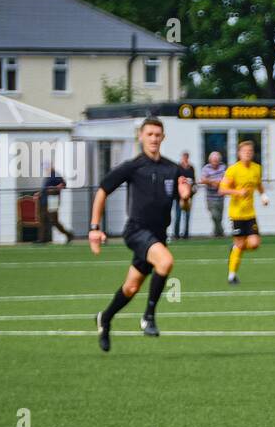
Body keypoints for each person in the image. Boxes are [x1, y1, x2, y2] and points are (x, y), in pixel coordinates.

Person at [87, 117, 192, 351]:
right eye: (149, 134)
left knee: (131, 288)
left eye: (158, 134)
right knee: (165, 262)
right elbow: (102, 191)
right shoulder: (133, 166)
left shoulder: (172, 169)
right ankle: (148, 317)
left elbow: (184, 206)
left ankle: (104, 318)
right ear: (141, 136)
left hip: (157, 237)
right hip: (136, 231)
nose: (154, 138)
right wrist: (94, 229)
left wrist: (185, 197)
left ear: (163, 137)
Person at [220, 140, 268, 285]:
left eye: (250, 151)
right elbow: (222, 190)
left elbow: (259, 185)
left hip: (250, 214)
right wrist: (238, 192)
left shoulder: (256, 168)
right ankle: (232, 276)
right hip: (236, 214)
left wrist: (264, 196)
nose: (247, 153)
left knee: (254, 243)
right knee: (240, 245)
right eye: (244, 151)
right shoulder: (233, 170)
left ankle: (235, 248)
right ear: (239, 154)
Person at [39, 166, 73, 243]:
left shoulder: (55, 175)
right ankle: (42, 239)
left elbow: (63, 184)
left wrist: (55, 188)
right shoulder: (48, 176)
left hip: (53, 200)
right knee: (43, 220)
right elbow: (45, 189)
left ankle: (68, 234)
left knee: (53, 220)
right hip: (44, 200)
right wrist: (39, 193)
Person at [199, 151, 227, 237]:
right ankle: (221, 231)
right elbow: (202, 180)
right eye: (214, 160)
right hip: (210, 197)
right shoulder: (206, 168)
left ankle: (217, 233)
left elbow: (226, 179)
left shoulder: (223, 167)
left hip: (220, 196)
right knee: (214, 215)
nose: (215, 162)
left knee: (219, 216)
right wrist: (213, 182)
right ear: (210, 160)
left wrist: (216, 182)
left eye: (217, 160)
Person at [172, 151, 196, 240]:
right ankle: (176, 235)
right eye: (184, 157)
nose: (185, 158)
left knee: (187, 216)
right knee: (178, 216)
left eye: (186, 157)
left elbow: (193, 180)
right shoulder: (177, 168)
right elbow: (175, 181)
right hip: (179, 197)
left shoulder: (191, 168)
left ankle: (186, 235)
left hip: (189, 197)